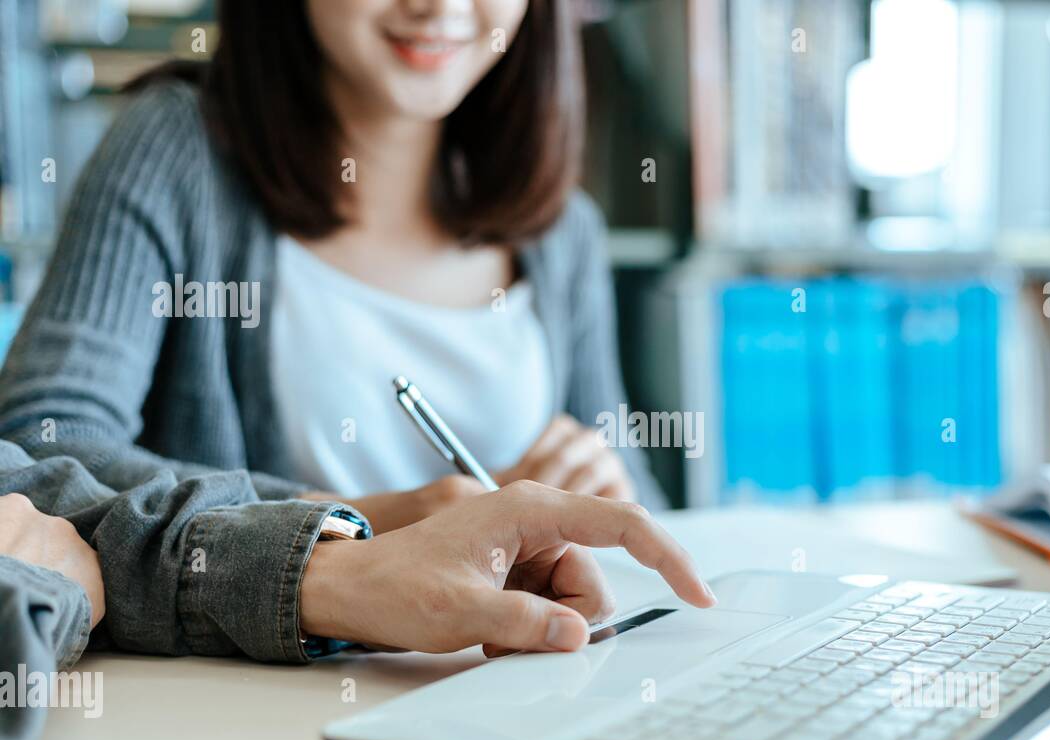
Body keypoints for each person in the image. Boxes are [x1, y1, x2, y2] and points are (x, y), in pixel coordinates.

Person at [0, 0, 664, 543]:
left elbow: (649, 514)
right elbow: (40, 446)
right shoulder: (176, 152)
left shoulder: (560, 230)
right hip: (273, 689)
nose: (439, 8)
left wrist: (602, 492)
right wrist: (365, 521)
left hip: (510, 676)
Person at [0, 438, 714, 740]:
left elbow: (24, 485)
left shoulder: (561, 226)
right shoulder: (181, 159)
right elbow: (50, 429)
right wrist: (34, 590)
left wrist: (326, 571)